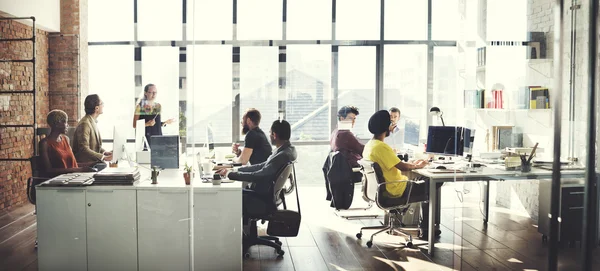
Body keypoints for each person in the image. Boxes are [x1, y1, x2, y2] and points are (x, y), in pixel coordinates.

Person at [363, 110, 439, 240]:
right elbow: (401, 166)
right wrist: (417, 165)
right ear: (386, 127)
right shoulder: (381, 147)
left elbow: (395, 162)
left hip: (383, 189)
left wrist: (412, 164)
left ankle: (426, 226)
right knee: (434, 182)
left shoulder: (370, 145)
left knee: (424, 180)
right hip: (397, 189)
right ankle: (427, 229)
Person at [217, 120, 297, 213]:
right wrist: (235, 170)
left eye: (270, 133)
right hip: (269, 195)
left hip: (261, 198)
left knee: (228, 193)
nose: (269, 136)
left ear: (274, 135)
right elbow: (262, 166)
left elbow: (259, 175)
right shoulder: (288, 150)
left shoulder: (282, 155)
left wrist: (230, 174)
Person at [39, 110, 96, 177]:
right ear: (56, 124)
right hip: (59, 181)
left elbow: (72, 165)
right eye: (65, 122)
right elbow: (48, 170)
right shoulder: (44, 143)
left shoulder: (66, 139)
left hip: (73, 177)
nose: (67, 125)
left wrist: (91, 164)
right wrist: (80, 169)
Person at [72, 94, 113, 163]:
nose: (103, 106)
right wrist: (104, 158)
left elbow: (94, 146)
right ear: (96, 108)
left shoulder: (92, 121)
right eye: (102, 103)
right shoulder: (85, 123)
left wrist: (104, 152)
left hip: (92, 163)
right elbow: (84, 149)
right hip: (85, 165)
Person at [133, 84, 175, 148]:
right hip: (145, 141)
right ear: (145, 93)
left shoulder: (158, 106)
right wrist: (147, 124)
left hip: (158, 141)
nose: (154, 94)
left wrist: (165, 122)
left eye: (155, 92)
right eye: (151, 92)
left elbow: (156, 124)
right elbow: (135, 125)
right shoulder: (140, 107)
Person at [330, 106, 364, 182]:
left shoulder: (335, 132)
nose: (353, 122)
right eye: (350, 118)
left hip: (341, 171)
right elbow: (362, 150)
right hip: (350, 171)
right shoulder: (345, 134)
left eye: (354, 119)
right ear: (342, 118)